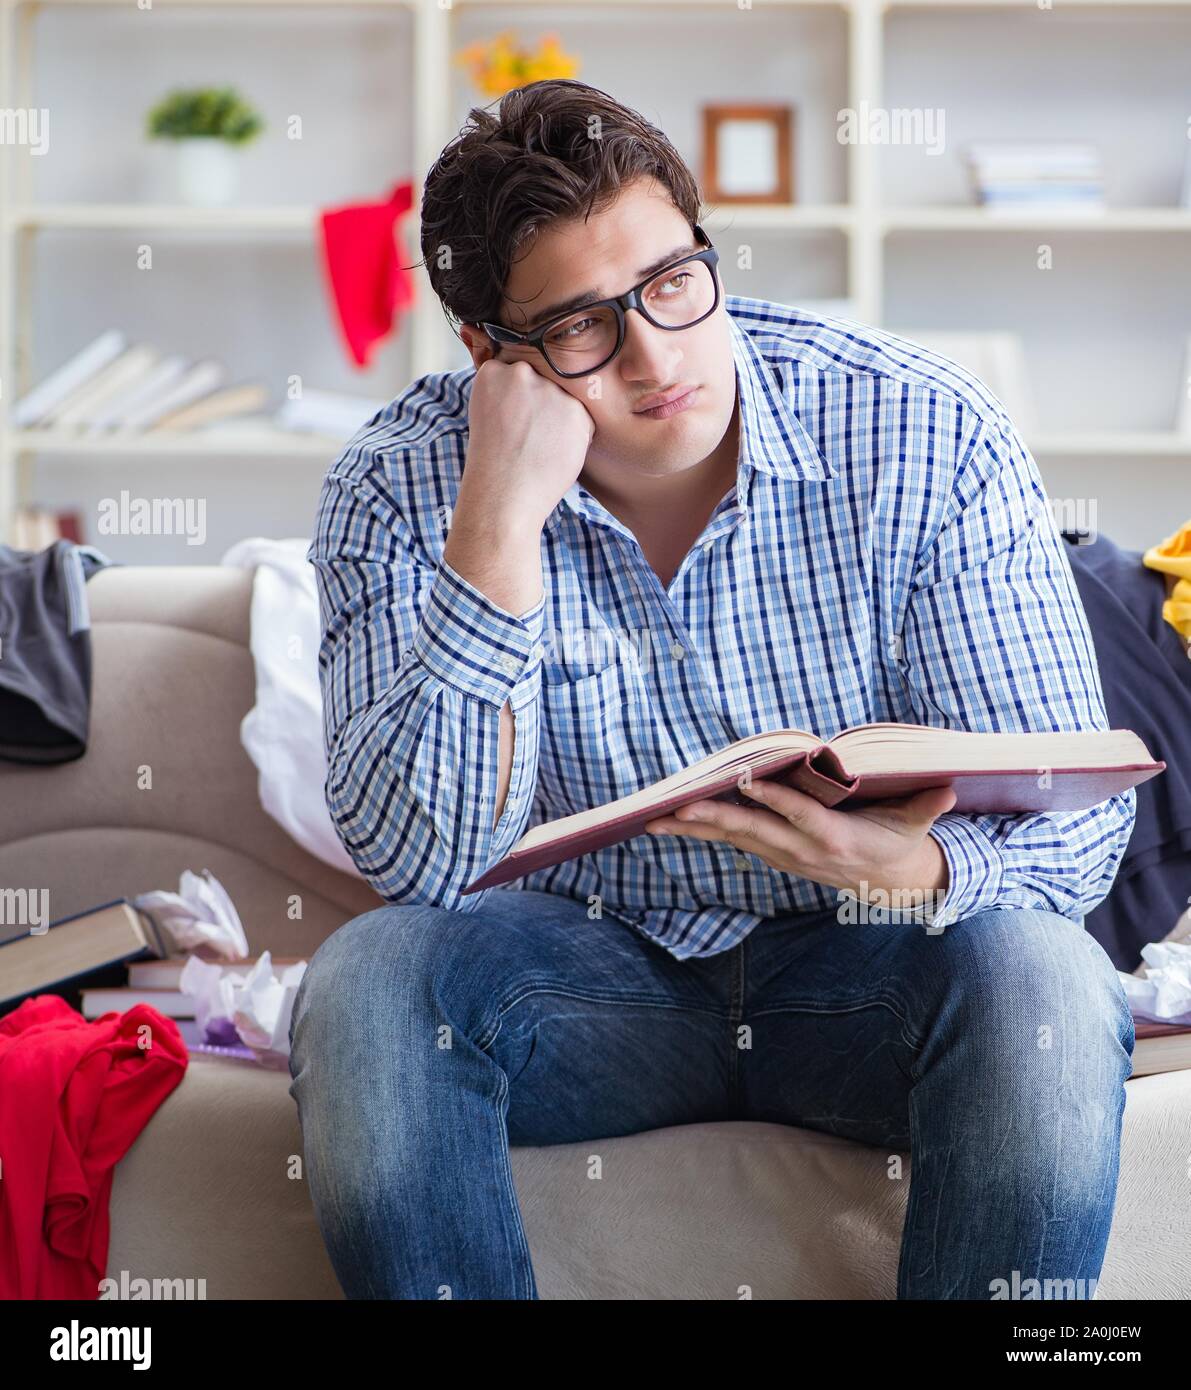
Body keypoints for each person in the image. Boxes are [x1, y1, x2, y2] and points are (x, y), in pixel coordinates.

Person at [288, 79, 1136, 1300]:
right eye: (581, 327)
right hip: (587, 987)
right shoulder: (396, 486)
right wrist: (494, 528)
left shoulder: (920, 427)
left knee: (1045, 974)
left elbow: (1079, 808)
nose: (656, 357)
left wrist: (929, 874)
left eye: (674, 285)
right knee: (370, 978)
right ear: (487, 353)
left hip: (874, 969)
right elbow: (417, 866)